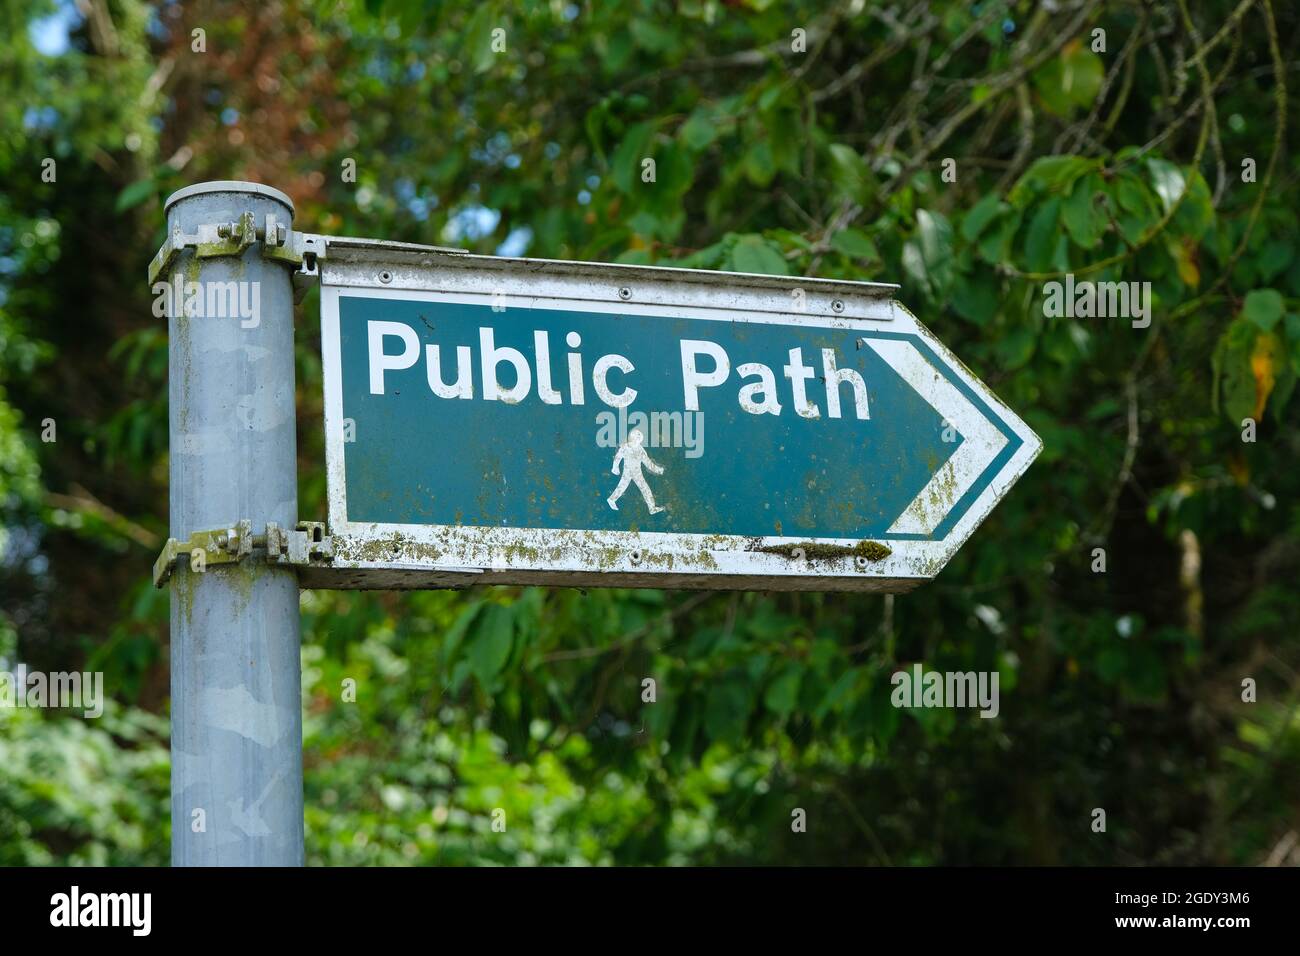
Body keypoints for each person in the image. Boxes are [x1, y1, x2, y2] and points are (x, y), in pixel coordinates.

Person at [607, 428, 665, 514]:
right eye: (637, 434)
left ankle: (652, 508)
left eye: (640, 435)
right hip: (628, 472)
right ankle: (611, 499)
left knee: (645, 489)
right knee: (622, 487)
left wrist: (659, 470)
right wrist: (615, 468)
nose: (639, 436)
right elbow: (617, 457)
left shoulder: (640, 450)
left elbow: (648, 463)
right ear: (632, 436)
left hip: (637, 473)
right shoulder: (625, 447)